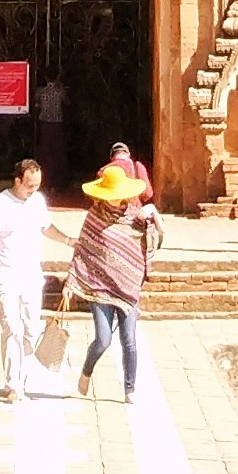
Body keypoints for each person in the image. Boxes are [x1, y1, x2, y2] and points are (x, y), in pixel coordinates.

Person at [68, 162, 159, 399]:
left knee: (129, 340)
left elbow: (154, 241)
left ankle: (130, 388)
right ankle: (87, 371)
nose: (115, 200)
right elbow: (83, 250)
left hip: (127, 287)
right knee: (103, 339)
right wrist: (70, 282)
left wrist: (153, 219)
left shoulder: (136, 218)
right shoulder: (94, 217)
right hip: (99, 288)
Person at [0, 156, 59, 397]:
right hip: (6, 274)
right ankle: (14, 383)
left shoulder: (37, 201)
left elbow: (46, 227)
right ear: (17, 181)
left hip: (31, 275)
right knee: (12, 327)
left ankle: (21, 375)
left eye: (37, 185)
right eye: (29, 185)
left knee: (31, 328)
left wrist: (68, 240)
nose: (33, 190)